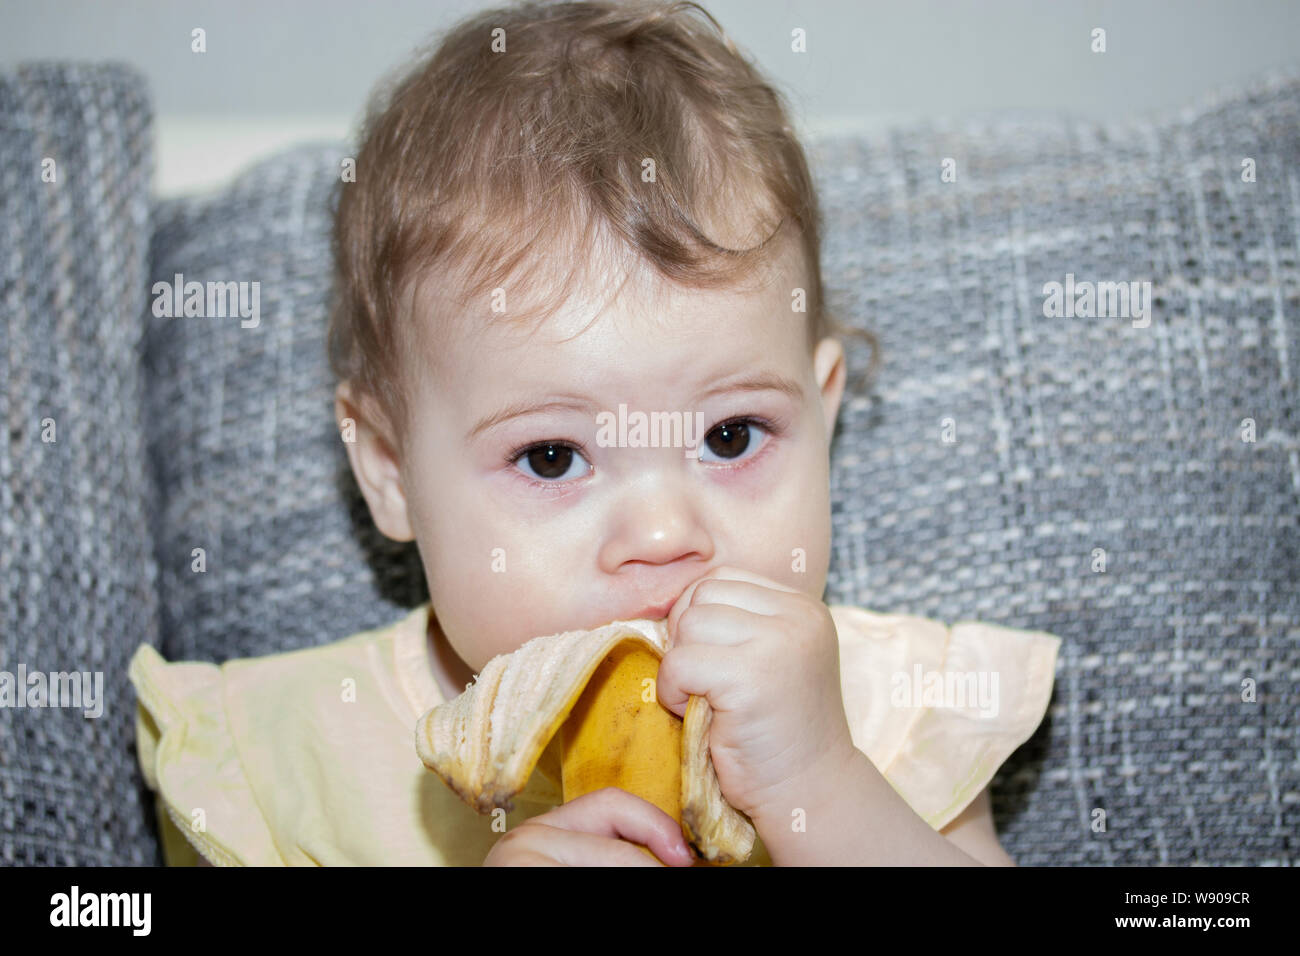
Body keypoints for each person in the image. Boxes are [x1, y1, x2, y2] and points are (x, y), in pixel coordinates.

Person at [128, 0, 1059, 866]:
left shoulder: (892, 713)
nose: (662, 535)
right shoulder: (284, 760)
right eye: (552, 456)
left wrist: (819, 782)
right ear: (388, 469)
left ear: (823, 411)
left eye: (731, 436)